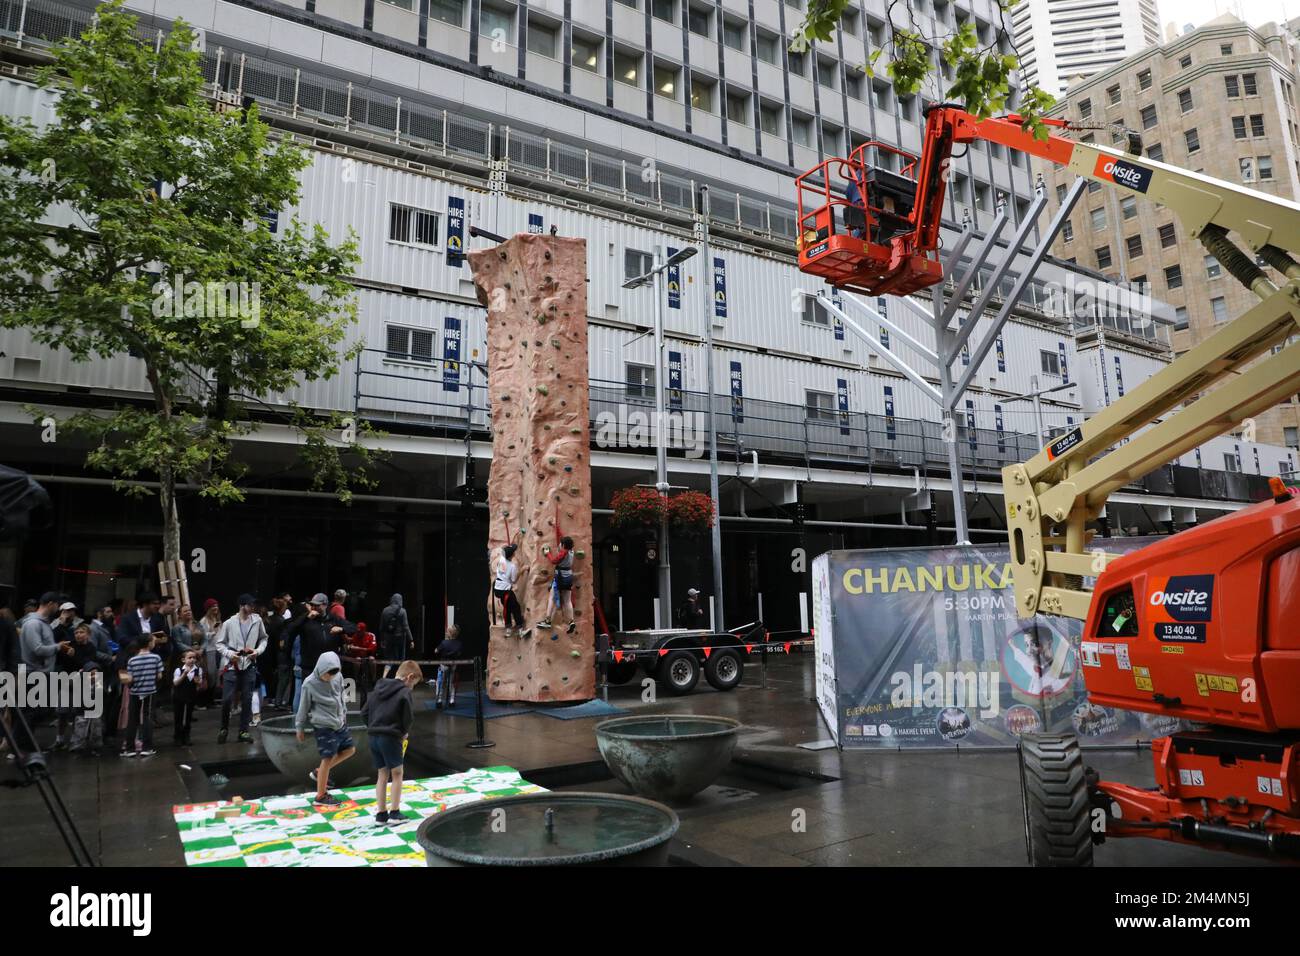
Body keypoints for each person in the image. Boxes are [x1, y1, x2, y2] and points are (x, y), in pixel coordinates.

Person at [362, 659, 421, 824]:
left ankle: (381, 814)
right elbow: (408, 717)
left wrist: (373, 726)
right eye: (414, 683)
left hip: (373, 736)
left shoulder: (377, 689)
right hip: (391, 737)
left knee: (382, 774)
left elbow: (364, 712)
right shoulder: (404, 692)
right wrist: (403, 732)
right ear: (409, 677)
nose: (412, 687)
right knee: (397, 773)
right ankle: (395, 812)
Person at [295, 651, 355, 806]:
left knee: (350, 750)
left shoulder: (338, 677)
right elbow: (303, 707)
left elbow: (342, 696)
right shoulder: (309, 683)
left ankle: (318, 772)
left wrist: (344, 714)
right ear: (321, 669)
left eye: (333, 674)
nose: (330, 678)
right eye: (327, 674)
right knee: (327, 758)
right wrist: (299, 727)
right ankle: (320, 796)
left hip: (339, 722)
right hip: (323, 725)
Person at [215, 594, 268, 744]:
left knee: (247, 698)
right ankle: (224, 728)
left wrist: (257, 651)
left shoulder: (257, 621)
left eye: (253, 605)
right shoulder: (229, 623)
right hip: (232, 664)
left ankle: (243, 731)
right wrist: (230, 654)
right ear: (242, 605)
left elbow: (264, 638)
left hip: (249, 663)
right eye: (250, 605)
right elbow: (219, 643)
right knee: (226, 699)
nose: (252, 607)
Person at [285, 594, 355, 679]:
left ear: (325, 605)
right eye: (312, 605)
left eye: (317, 605)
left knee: (328, 691)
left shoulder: (334, 619)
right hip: (310, 666)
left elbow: (353, 628)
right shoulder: (306, 619)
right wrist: (306, 618)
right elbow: (290, 630)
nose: (313, 607)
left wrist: (342, 629)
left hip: (329, 667)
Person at [122, 638, 163, 757]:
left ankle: (129, 749)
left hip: (135, 692)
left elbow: (130, 679)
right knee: (147, 718)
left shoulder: (132, 660)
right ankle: (147, 747)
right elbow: (159, 676)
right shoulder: (156, 658)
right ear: (149, 643)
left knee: (132, 719)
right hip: (150, 691)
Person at [535, 536, 577, 634]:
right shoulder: (571, 551)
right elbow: (566, 543)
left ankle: (547, 620)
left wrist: (548, 553)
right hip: (568, 576)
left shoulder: (564, 552)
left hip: (560, 577)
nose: (559, 545)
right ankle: (571, 621)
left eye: (560, 544)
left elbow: (554, 561)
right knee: (567, 600)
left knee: (552, 597)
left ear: (563, 545)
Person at [172, 648, 204, 746]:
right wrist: (184, 674)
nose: (192, 660)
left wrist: (198, 683)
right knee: (178, 717)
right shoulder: (179, 669)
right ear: (183, 660)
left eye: (194, 658)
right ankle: (178, 736)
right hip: (179, 697)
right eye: (189, 658)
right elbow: (175, 683)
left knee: (188, 717)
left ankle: (186, 735)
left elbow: (199, 685)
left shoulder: (198, 670)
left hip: (191, 696)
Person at [268, 592, 294, 709]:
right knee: (283, 678)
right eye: (285, 607)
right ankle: (278, 702)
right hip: (281, 653)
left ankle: (275, 699)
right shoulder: (281, 622)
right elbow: (282, 639)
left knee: (279, 676)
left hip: (274, 652)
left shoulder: (271, 620)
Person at [493, 544, 525, 638]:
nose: (515, 553)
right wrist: (522, 570)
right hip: (505, 590)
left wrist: (508, 548)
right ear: (512, 555)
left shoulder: (502, 559)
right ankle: (519, 629)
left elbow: (503, 550)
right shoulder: (512, 566)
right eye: (514, 552)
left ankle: (508, 628)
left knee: (507, 607)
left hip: (498, 588)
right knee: (516, 608)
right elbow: (514, 580)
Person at [197, 599, 222, 708]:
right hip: (209, 650)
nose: (215, 608)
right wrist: (212, 631)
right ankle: (204, 700)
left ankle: (211, 700)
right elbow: (202, 637)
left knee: (216, 674)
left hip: (218, 649)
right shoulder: (203, 621)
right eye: (213, 606)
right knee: (210, 674)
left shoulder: (217, 619)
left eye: (216, 606)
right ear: (208, 609)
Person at [377, 594, 414, 670]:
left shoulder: (385, 610)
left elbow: (381, 627)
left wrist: (382, 639)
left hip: (388, 637)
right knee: (401, 659)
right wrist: (411, 639)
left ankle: (385, 676)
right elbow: (406, 626)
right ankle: (399, 678)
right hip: (400, 637)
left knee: (389, 659)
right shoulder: (402, 611)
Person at [433, 625, 463, 708]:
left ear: (449, 633)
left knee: (440, 682)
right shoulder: (459, 644)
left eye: (447, 631)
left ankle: (439, 700)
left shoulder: (444, 643)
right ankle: (452, 701)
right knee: (451, 683)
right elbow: (459, 653)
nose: (446, 633)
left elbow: (436, 651)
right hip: (453, 666)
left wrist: (439, 649)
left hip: (444, 665)